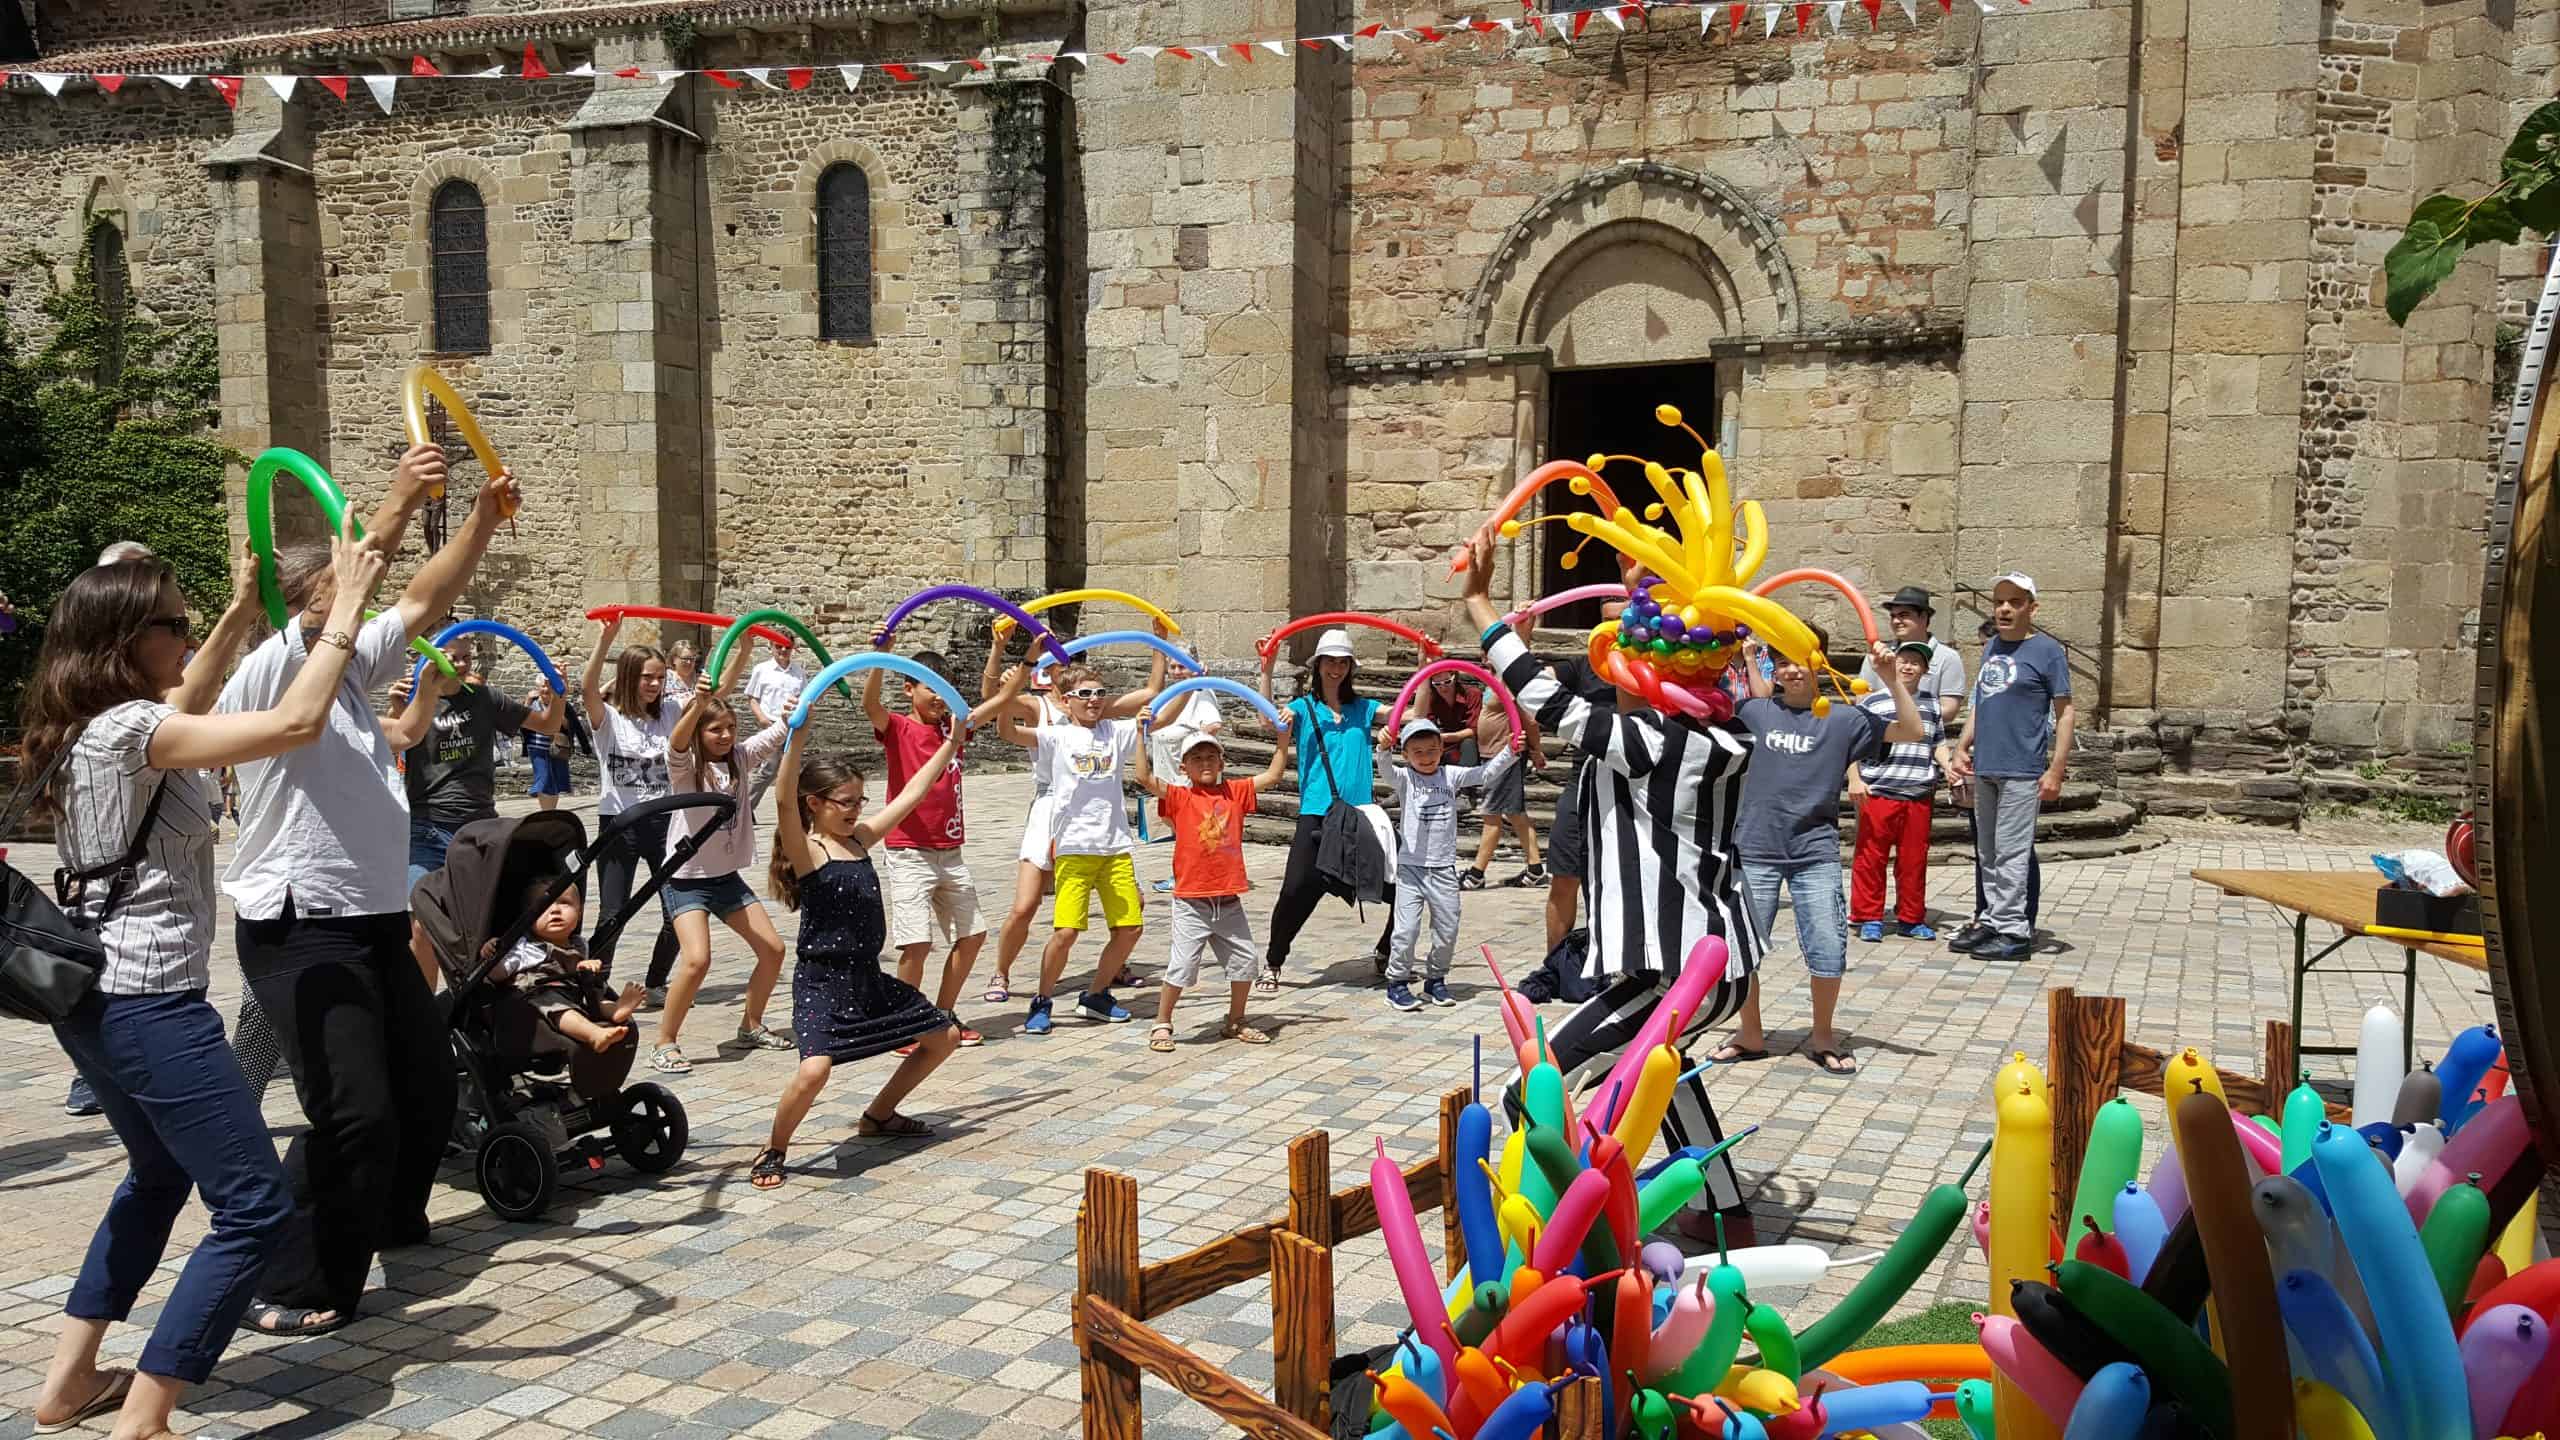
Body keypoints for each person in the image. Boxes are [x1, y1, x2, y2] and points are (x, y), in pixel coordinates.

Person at [17, 531, 387, 1433]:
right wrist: (343, 613)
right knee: (253, 1210)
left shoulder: (86, 724)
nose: (186, 642)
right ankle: (147, 1413)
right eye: (172, 626)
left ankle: (68, 1385)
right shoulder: (137, 729)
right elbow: (293, 723)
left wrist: (235, 613)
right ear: (124, 639)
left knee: (154, 1177)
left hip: (95, 998)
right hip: (151, 1005)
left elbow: (191, 689)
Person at [221, 443, 504, 1331]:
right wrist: (392, 498)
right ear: (304, 606)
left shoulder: (348, 684)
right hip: (302, 925)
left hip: (376, 922)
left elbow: (425, 598)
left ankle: (384, 1218)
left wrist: (484, 520)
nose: (361, 603)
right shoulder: (268, 675)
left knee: (424, 1092)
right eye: (338, 593)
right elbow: (370, 571)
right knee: (354, 1116)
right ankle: (294, 1276)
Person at [1458, 530, 1762, 1246]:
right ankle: (1729, 1213)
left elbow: (1547, 698)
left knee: (1530, 1090)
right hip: (1721, 968)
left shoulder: (1650, 743)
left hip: (1673, 973)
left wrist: (1479, 604)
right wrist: (1643, 589)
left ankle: (1574, 1234)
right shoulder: (1724, 738)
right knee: (1673, 1073)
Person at [749, 719, 974, 1189]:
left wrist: (952, 743)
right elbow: (781, 796)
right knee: (815, 1068)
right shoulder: (808, 849)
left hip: (867, 977)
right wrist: (797, 738)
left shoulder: (858, 840)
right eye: (846, 802)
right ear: (816, 804)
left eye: (859, 801)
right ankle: (774, 1148)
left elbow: (912, 793)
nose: (856, 810)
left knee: (943, 1037)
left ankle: (880, 1114)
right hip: (823, 981)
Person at [1719, 630, 1925, 1077]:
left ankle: (1823, 1036)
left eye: (1803, 660)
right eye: (1784, 661)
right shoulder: (1754, 711)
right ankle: (1750, 1033)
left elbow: (1912, 730)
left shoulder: (1844, 719)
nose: (1794, 669)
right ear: (1775, 667)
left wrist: (1892, 681)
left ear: (1820, 663)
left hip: (1815, 851)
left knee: (1829, 948)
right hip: (1754, 848)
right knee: (1743, 950)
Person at [997, 643, 1169, 1035]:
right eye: (1085, 694)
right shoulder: (1056, 737)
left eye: (1099, 693)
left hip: (1115, 848)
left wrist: (1185, 684)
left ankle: (1096, 995)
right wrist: (1011, 689)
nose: (1093, 700)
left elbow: (1161, 712)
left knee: (1130, 927)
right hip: (1074, 847)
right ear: (1067, 701)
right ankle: (1042, 1000)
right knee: (1066, 932)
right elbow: (1007, 731)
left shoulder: (1115, 731)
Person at [863, 650, 1018, 1052]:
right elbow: (870, 705)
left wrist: (1022, 658)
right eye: (931, 688)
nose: (938, 698)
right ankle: (902, 1022)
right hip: (908, 851)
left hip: (950, 853)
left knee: (973, 935)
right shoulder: (897, 728)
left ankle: (942, 1014)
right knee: (916, 943)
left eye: (945, 692)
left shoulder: (956, 728)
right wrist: (881, 657)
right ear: (909, 688)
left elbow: (1001, 701)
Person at [649, 643, 794, 1074]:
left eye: (731, 727)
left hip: (726, 878)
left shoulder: (741, 759)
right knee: (696, 960)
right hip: (686, 878)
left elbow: (778, 733)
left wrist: (794, 709)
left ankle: (750, 1026)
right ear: (700, 733)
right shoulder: (686, 767)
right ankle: (665, 1041)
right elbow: (676, 745)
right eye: (716, 730)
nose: (726, 735)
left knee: (773, 949)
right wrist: (695, 704)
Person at [1129, 723, 1292, 1052]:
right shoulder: (1179, 796)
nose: (1204, 762)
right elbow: (1144, 777)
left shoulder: (1236, 791)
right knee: (1183, 965)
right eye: (1196, 757)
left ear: (1222, 762)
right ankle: (1162, 1022)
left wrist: (1283, 736)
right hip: (1192, 901)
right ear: (1183, 767)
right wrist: (1140, 733)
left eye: (1210, 756)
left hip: (1228, 899)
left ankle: (1235, 1019)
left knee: (1245, 961)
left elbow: (1273, 775)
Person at [1255, 627, 1395, 992]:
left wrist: (1426, 667)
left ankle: (1387, 949)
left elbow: (1407, 714)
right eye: (1330, 661)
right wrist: (1267, 669)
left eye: (1343, 662)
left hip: (1359, 815)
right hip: (1317, 814)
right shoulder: (1303, 708)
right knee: (1296, 889)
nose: (1336, 668)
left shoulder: (1363, 709)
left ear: (1351, 666)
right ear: (1318, 665)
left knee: (1406, 887)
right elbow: (1267, 720)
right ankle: (1273, 961)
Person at [1947, 572, 2074, 960]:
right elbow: (1982, 703)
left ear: (2031, 609)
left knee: (2012, 851)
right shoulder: (1993, 648)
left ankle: (2015, 930)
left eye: (2015, 602)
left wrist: (2056, 769)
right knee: (1987, 849)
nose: (2005, 608)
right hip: (1986, 764)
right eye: (2000, 600)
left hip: (2022, 767)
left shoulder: (2048, 651)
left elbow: (2065, 713)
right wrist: (1962, 745)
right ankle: (1990, 919)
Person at [387, 639, 566, 886]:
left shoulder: (486, 698)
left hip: (479, 823)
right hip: (427, 825)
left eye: (467, 657)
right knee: (421, 910)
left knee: (480, 912)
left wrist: (559, 693)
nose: (461, 664)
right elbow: (392, 749)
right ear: (432, 658)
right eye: (452, 658)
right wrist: (397, 711)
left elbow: (548, 725)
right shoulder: (414, 702)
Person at [1378, 715, 1518, 1011]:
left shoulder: (1451, 775)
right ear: (1407, 755)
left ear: (1441, 749)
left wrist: (1510, 751)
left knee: (1448, 928)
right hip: (1411, 870)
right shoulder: (1405, 778)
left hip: (1443, 869)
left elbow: (1486, 773)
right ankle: (1398, 983)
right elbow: (1387, 772)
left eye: (1431, 750)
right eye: (1418, 752)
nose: (1426, 758)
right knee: (1406, 930)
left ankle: (1436, 979)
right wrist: (1384, 748)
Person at [578, 616, 685, 1005]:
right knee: (612, 914)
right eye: (646, 677)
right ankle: (593, 986)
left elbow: (713, 694)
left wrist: (739, 650)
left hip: (664, 824)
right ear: (628, 677)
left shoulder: (671, 712)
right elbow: (588, 687)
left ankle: (656, 982)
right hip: (619, 825)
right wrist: (605, 639)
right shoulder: (609, 719)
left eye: (659, 677)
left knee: (679, 910)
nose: (655, 685)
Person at [1847, 640, 1948, 943]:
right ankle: (1868, 916)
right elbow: (1850, 744)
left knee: (1914, 860)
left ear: (1926, 670)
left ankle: (1910, 916)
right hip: (1879, 792)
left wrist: (1950, 764)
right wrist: (1855, 779)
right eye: (1903, 660)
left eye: (1915, 662)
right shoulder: (1871, 702)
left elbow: (1937, 742)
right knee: (1871, 858)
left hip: (1918, 793)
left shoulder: (1931, 704)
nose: (1907, 666)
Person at [486, 877, 646, 1054]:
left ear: (579, 912)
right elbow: (496, 975)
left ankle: (614, 1010)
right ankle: (593, 1034)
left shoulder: (579, 944)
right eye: (544, 906)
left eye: (565, 903)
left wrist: (587, 967)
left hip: (575, 992)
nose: (555, 910)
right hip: (541, 999)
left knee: (596, 993)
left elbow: (578, 972)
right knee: (559, 1007)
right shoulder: (525, 948)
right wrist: (492, 954)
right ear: (528, 918)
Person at [1146, 671, 1225, 893]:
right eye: (1172, 666)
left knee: (1191, 829)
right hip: (1166, 774)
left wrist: (1194, 746)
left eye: (1182, 666)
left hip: (1187, 777)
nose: (1177, 671)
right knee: (1171, 822)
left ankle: (1190, 874)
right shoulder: (1168, 692)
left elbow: (1213, 724)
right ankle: (1187, 872)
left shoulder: (1200, 691)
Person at [1462, 683, 1545, 892]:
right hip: (1493, 754)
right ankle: (1535, 868)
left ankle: (1476, 874)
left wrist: (1536, 750)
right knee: (1514, 813)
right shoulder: (1493, 680)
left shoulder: (1512, 682)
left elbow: (1529, 721)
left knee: (1492, 812)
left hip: (1506, 755)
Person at [1855, 586, 1966, 727]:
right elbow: (1862, 702)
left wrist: (1902, 716)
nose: (1896, 621)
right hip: (1882, 738)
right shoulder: (1877, 655)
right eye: (1893, 616)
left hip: (1923, 741)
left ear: (1924, 617)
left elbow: (1949, 711)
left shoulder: (1948, 657)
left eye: (1903, 615)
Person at [743, 636, 806, 818]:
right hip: (770, 725)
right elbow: (752, 698)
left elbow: (805, 697)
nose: (783, 651)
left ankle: (796, 812)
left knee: (793, 769)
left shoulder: (798, 671)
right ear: (770, 647)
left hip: (793, 726)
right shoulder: (762, 670)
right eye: (779, 646)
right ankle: (745, 807)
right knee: (769, 769)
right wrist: (762, 719)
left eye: (787, 647)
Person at [523, 690, 573, 811]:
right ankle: (546, 811)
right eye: (542, 689)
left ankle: (551, 810)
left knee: (556, 779)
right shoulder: (533, 704)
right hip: (537, 746)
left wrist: (557, 713)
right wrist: (527, 701)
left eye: (548, 691)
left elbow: (569, 725)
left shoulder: (561, 703)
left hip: (557, 747)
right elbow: (521, 721)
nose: (545, 692)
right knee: (544, 778)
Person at [663, 639, 701, 708]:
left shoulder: (701, 677)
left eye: (692, 659)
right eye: (685, 658)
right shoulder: (664, 678)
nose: (689, 662)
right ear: (674, 659)